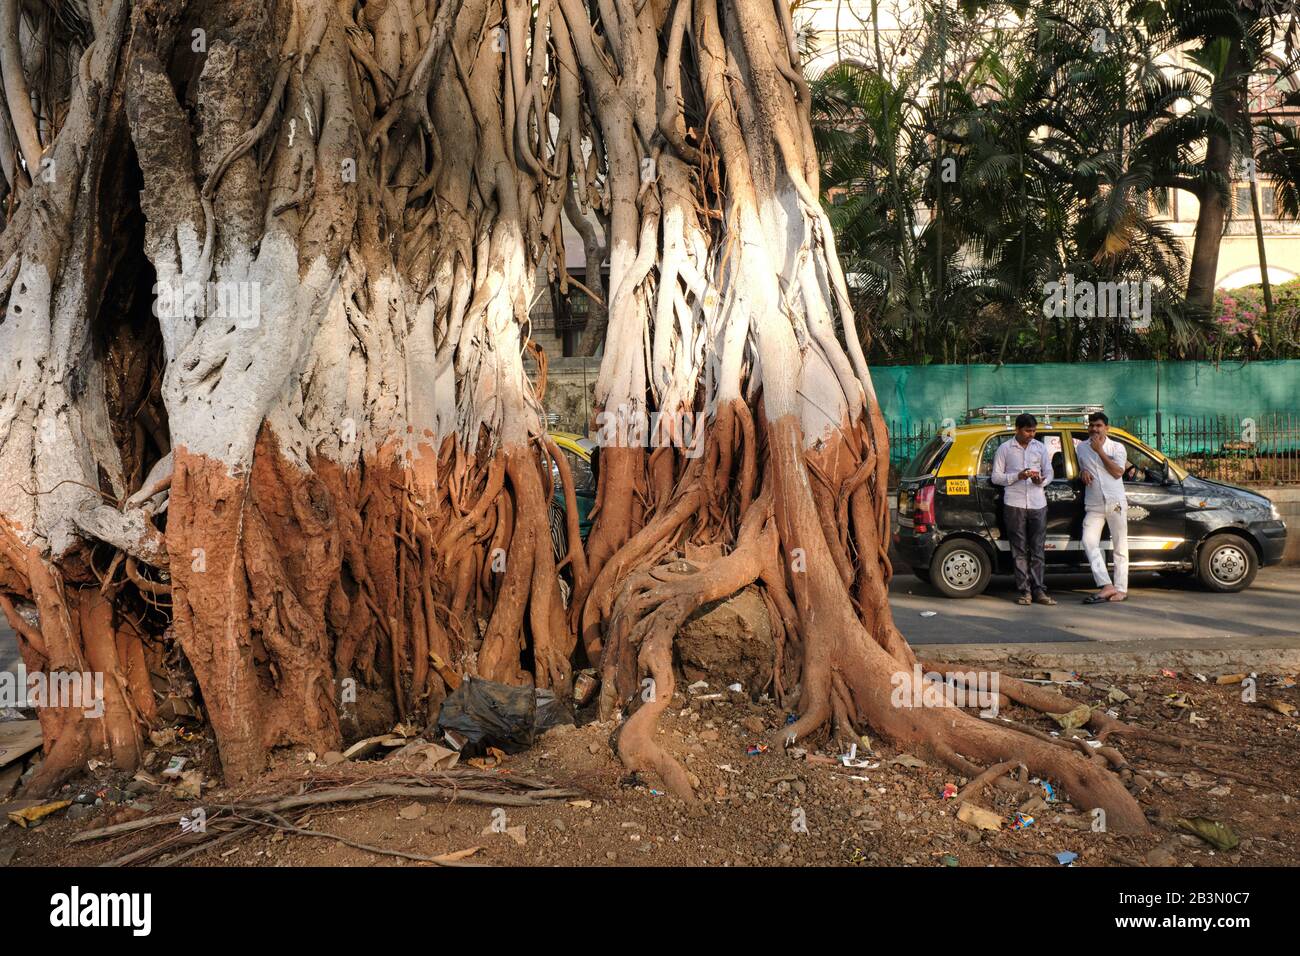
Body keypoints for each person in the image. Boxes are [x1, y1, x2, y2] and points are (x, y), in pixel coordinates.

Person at [992, 413, 1056, 606]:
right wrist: (1017, 476)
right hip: (1015, 504)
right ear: (1017, 429)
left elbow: (1050, 471)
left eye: (1034, 430)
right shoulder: (1005, 449)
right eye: (1028, 430)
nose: (1031, 434)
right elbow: (996, 477)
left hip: (1038, 503)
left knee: (1038, 550)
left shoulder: (1040, 448)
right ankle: (1025, 591)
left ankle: (1039, 591)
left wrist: (1042, 481)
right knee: (1019, 550)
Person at [1075, 411, 1129, 604]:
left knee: (1120, 545)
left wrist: (1100, 451)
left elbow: (1117, 472)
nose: (1094, 429)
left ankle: (1121, 589)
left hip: (1115, 502)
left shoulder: (1118, 447)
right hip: (1094, 503)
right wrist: (1082, 473)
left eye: (1098, 425)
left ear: (1107, 428)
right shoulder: (1081, 447)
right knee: (1088, 541)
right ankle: (1106, 585)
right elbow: (1082, 467)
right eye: (1091, 425)